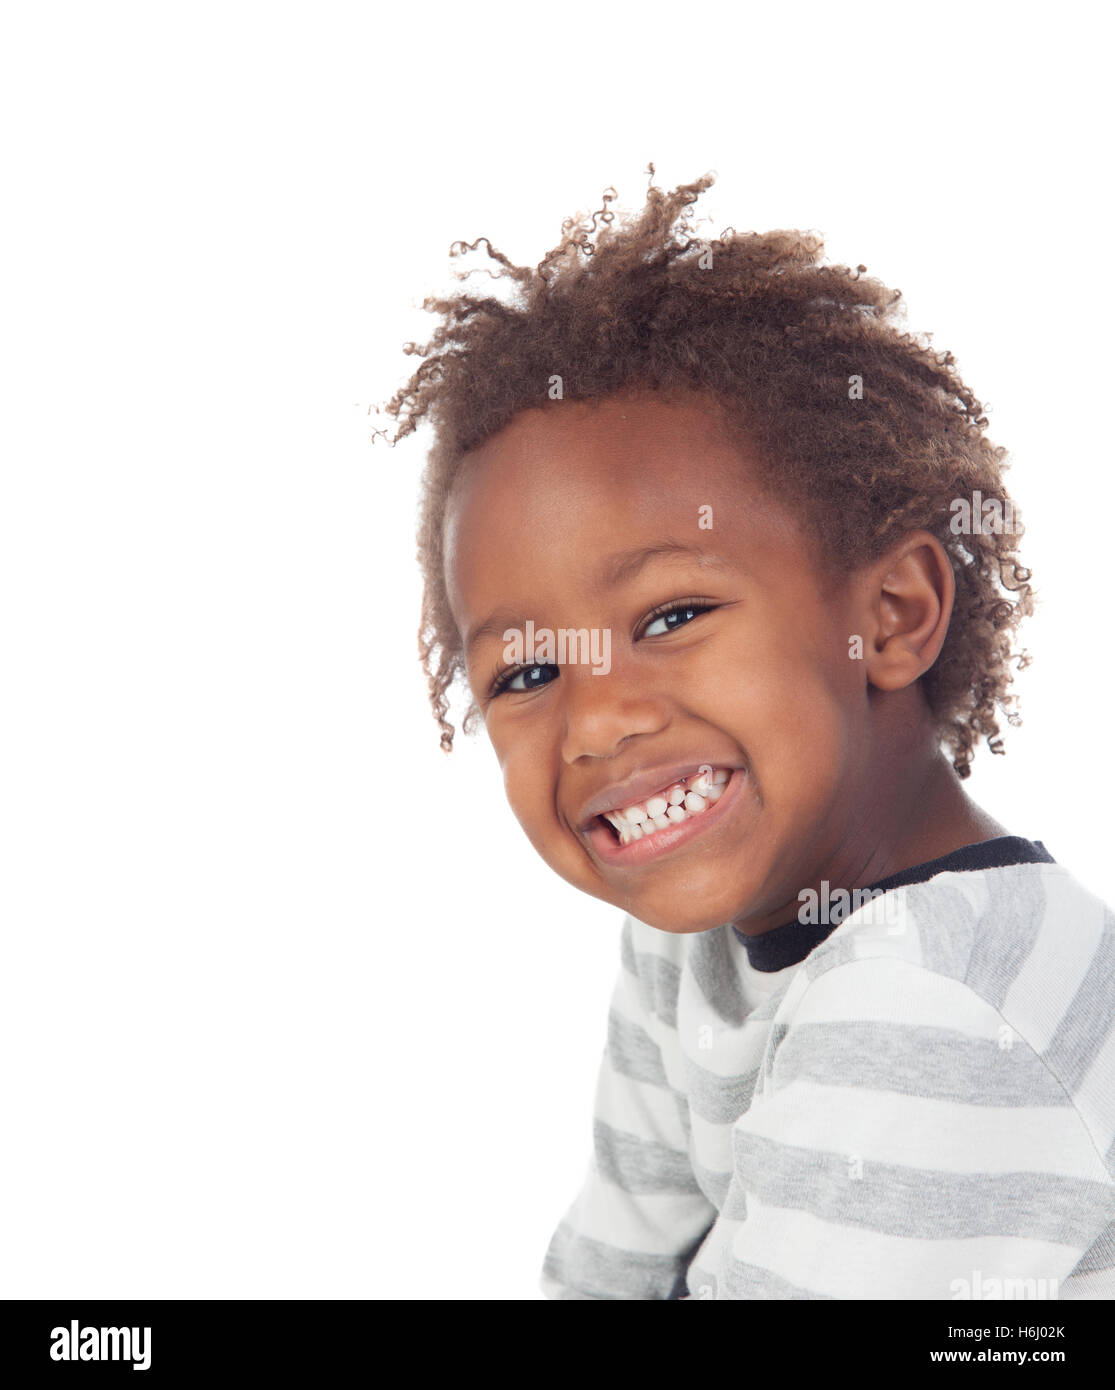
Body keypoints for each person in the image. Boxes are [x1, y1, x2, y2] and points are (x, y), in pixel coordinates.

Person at [376, 168, 1115, 1299]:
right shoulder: (699, 930)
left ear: (892, 614)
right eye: (525, 671)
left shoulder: (937, 1004)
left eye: (671, 616)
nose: (598, 719)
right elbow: (603, 1270)